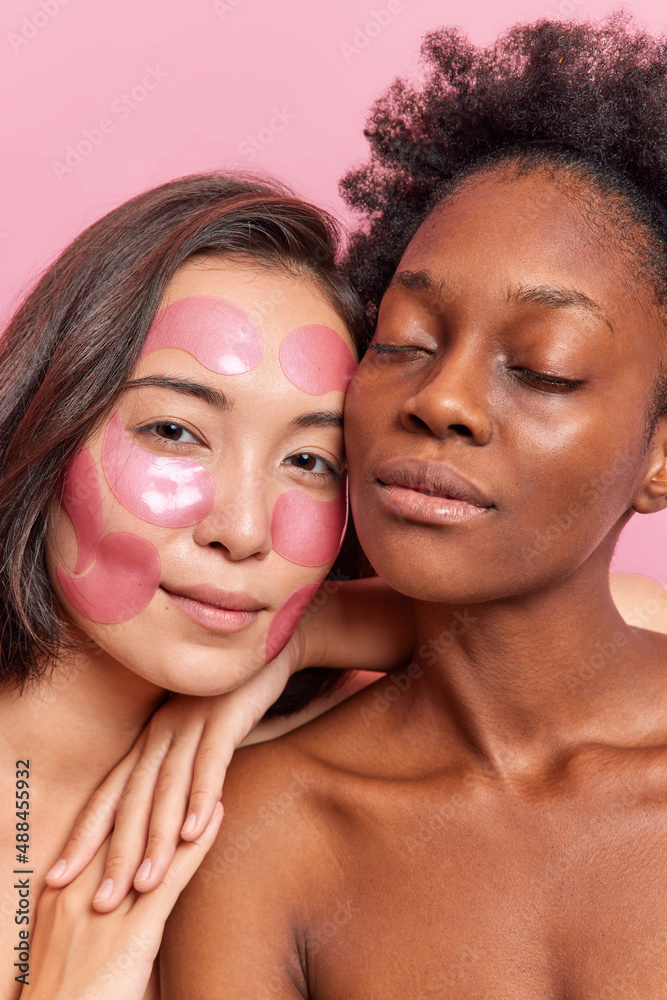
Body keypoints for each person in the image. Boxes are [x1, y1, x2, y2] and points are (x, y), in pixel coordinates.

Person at [163, 15, 667, 997]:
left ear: (660, 459)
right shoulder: (272, 830)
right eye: (403, 339)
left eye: (542, 368)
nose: (439, 401)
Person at [0, 172, 416, 1000]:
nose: (244, 528)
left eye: (310, 460)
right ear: (50, 420)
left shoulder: (280, 780)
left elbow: (608, 625)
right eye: (175, 431)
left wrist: (308, 637)